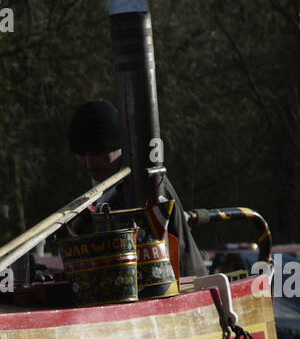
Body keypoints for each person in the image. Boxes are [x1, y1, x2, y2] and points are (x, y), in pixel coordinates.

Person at [60, 99, 206, 278]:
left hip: (185, 290)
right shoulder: (101, 190)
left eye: (98, 153)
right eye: (82, 155)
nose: (89, 164)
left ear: (121, 146)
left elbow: (143, 267)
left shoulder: (146, 186)